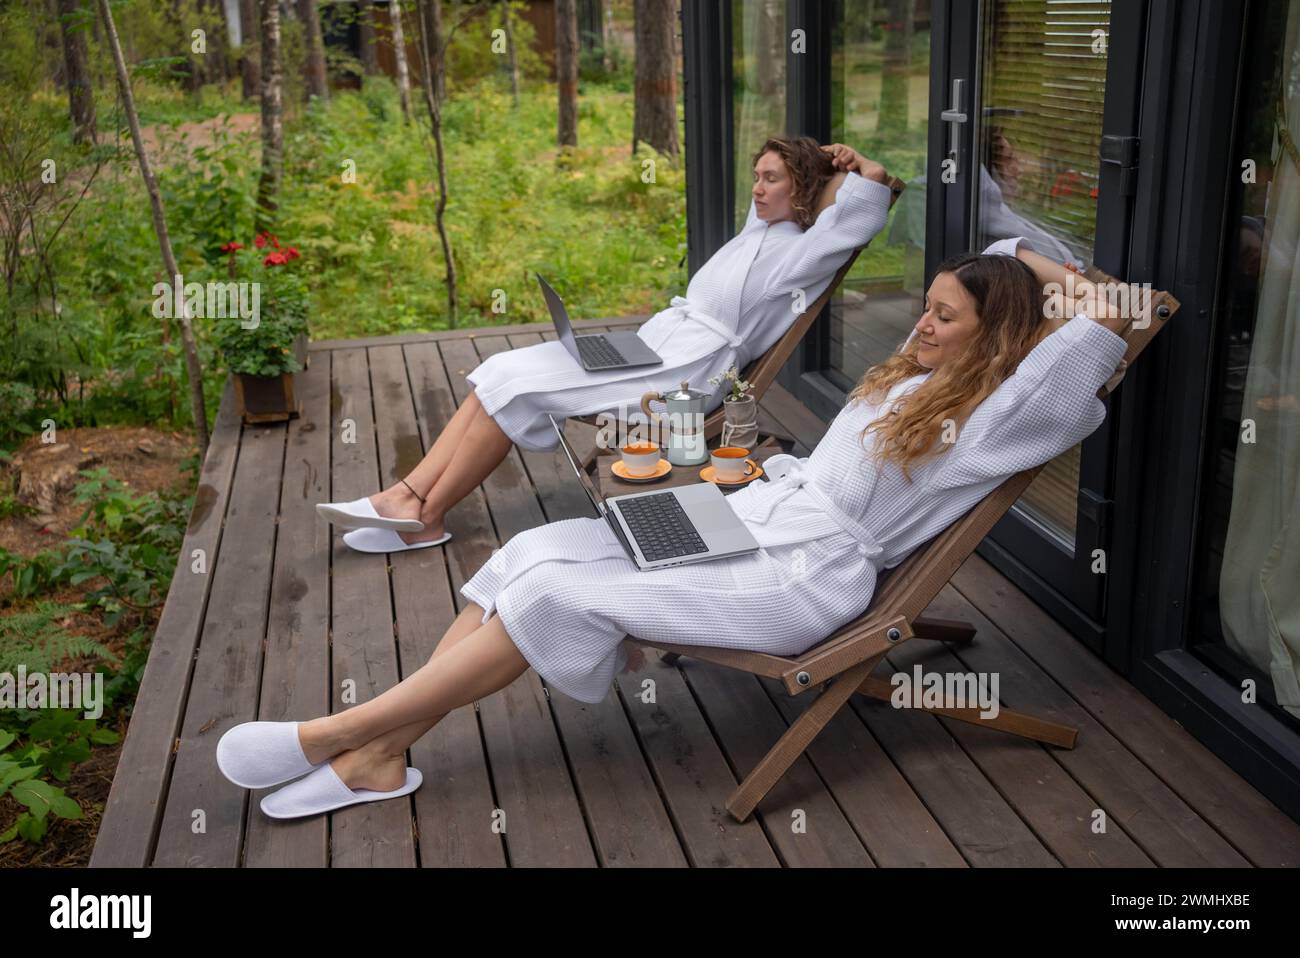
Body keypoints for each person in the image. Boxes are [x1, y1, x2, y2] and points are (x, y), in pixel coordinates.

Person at [218, 235, 1133, 818]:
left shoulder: (999, 417)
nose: (921, 325)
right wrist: (1007, 266)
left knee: (554, 588)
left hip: (799, 582)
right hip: (758, 521)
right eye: (927, 306)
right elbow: (1005, 247)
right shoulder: (912, 379)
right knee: (527, 550)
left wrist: (1044, 279)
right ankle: (378, 753)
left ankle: (333, 735)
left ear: (998, 335)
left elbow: (1107, 320)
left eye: (945, 315)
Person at [315, 136, 895, 554]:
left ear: (803, 191)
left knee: (520, 389)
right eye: (757, 175)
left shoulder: (801, 255)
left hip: (684, 376)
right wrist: (816, 158)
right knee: (498, 369)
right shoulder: (760, 231)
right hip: (656, 347)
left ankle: (426, 512)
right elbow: (783, 199)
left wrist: (856, 164)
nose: (758, 187)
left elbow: (860, 213)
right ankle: (408, 495)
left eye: (772, 178)